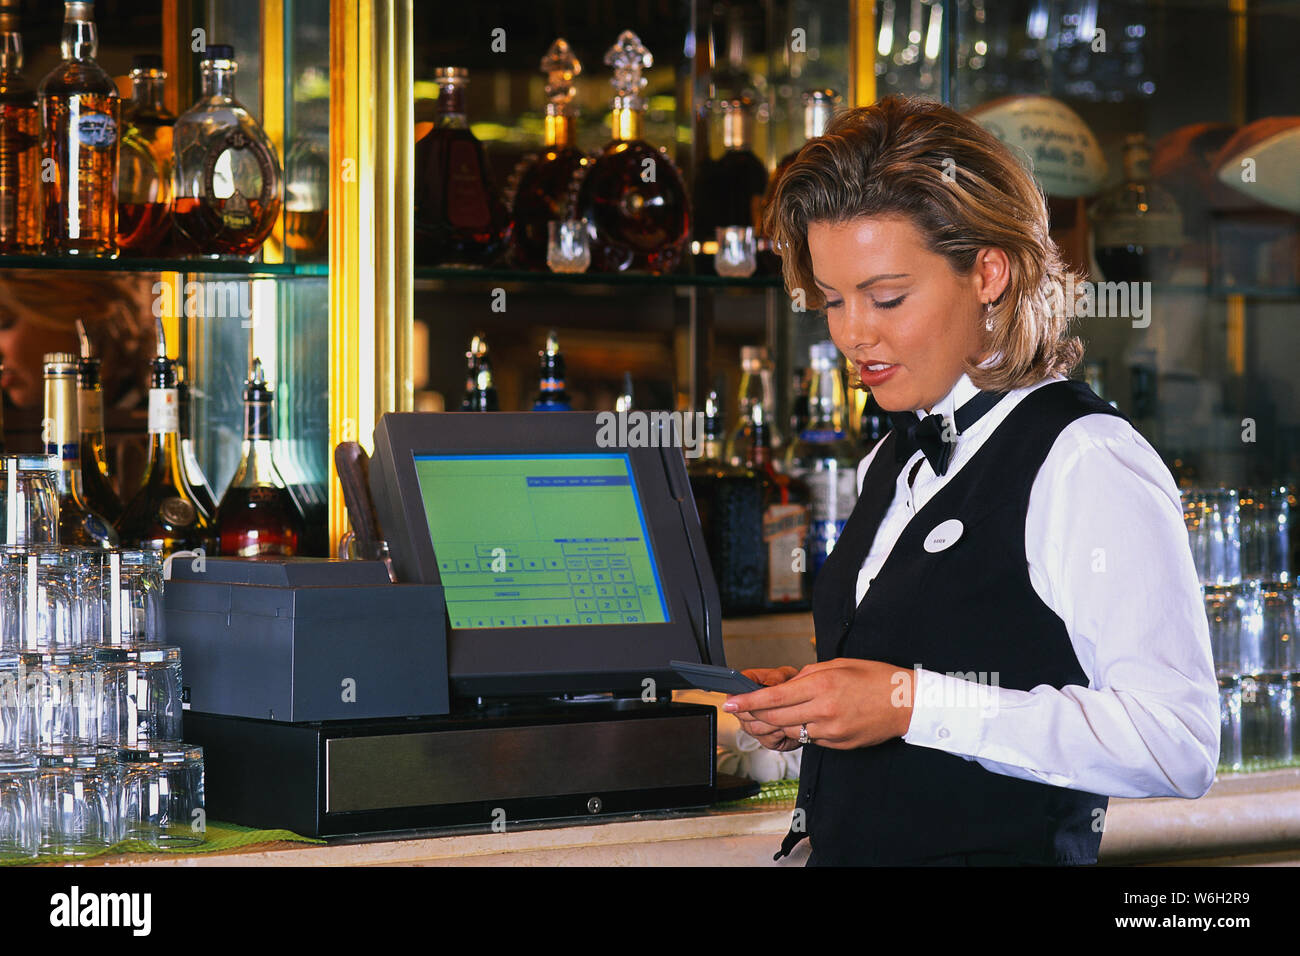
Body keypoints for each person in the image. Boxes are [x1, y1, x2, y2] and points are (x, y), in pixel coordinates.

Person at [726, 95, 1219, 867]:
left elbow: (1177, 743)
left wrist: (907, 703)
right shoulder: (888, 462)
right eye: (832, 300)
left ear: (988, 271)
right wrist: (819, 708)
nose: (855, 332)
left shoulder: (1085, 459)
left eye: (888, 297)